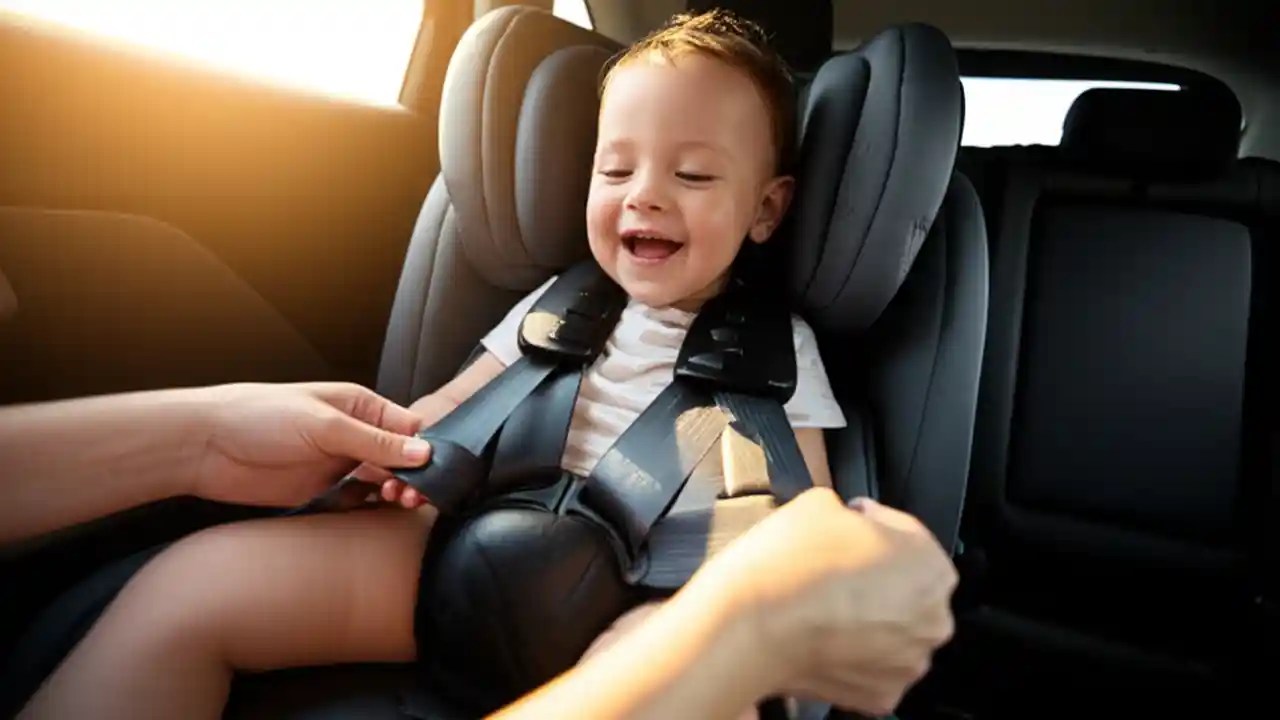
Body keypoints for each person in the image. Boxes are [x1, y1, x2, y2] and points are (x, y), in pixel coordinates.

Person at [14, 10, 957, 720]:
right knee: (197, 584)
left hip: (641, 596)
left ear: (766, 208)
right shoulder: (558, 307)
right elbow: (452, 409)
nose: (645, 198)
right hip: (462, 548)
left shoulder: (775, 348)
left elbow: (791, 501)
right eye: (615, 168)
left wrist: (738, 603)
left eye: (694, 175)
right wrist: (389, 459)